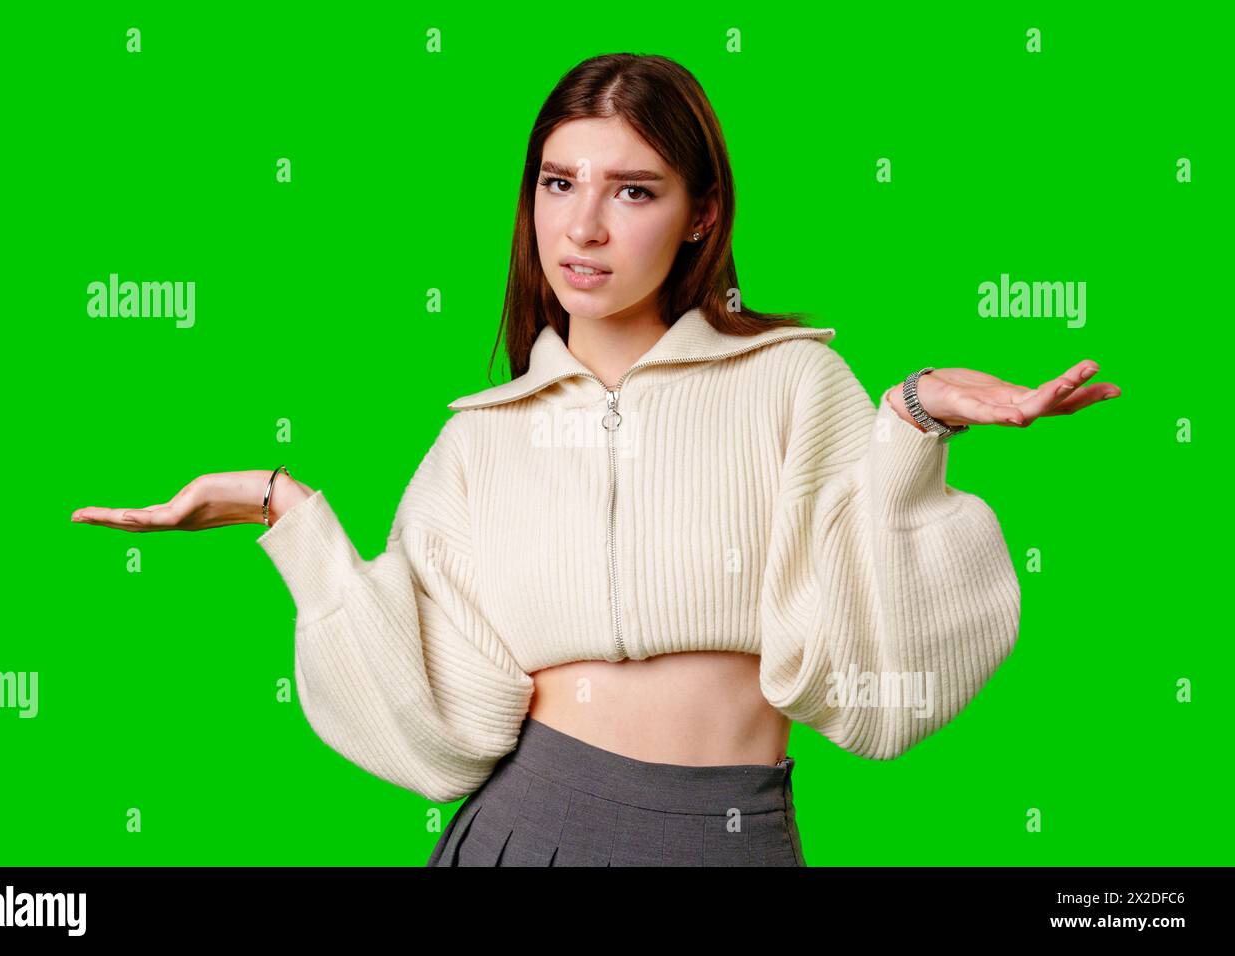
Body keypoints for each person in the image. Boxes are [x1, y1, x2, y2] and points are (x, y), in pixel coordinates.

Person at [72, 53, 1120, 867]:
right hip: (527, 829)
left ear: (699, 213)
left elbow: (882, 659)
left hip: (730, 833)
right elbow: (434, 718)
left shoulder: (793, 383)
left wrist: (914, 419)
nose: (580, 225)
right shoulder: (480, 433)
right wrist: (285, 511)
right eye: (557, 181)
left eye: (632, 190)